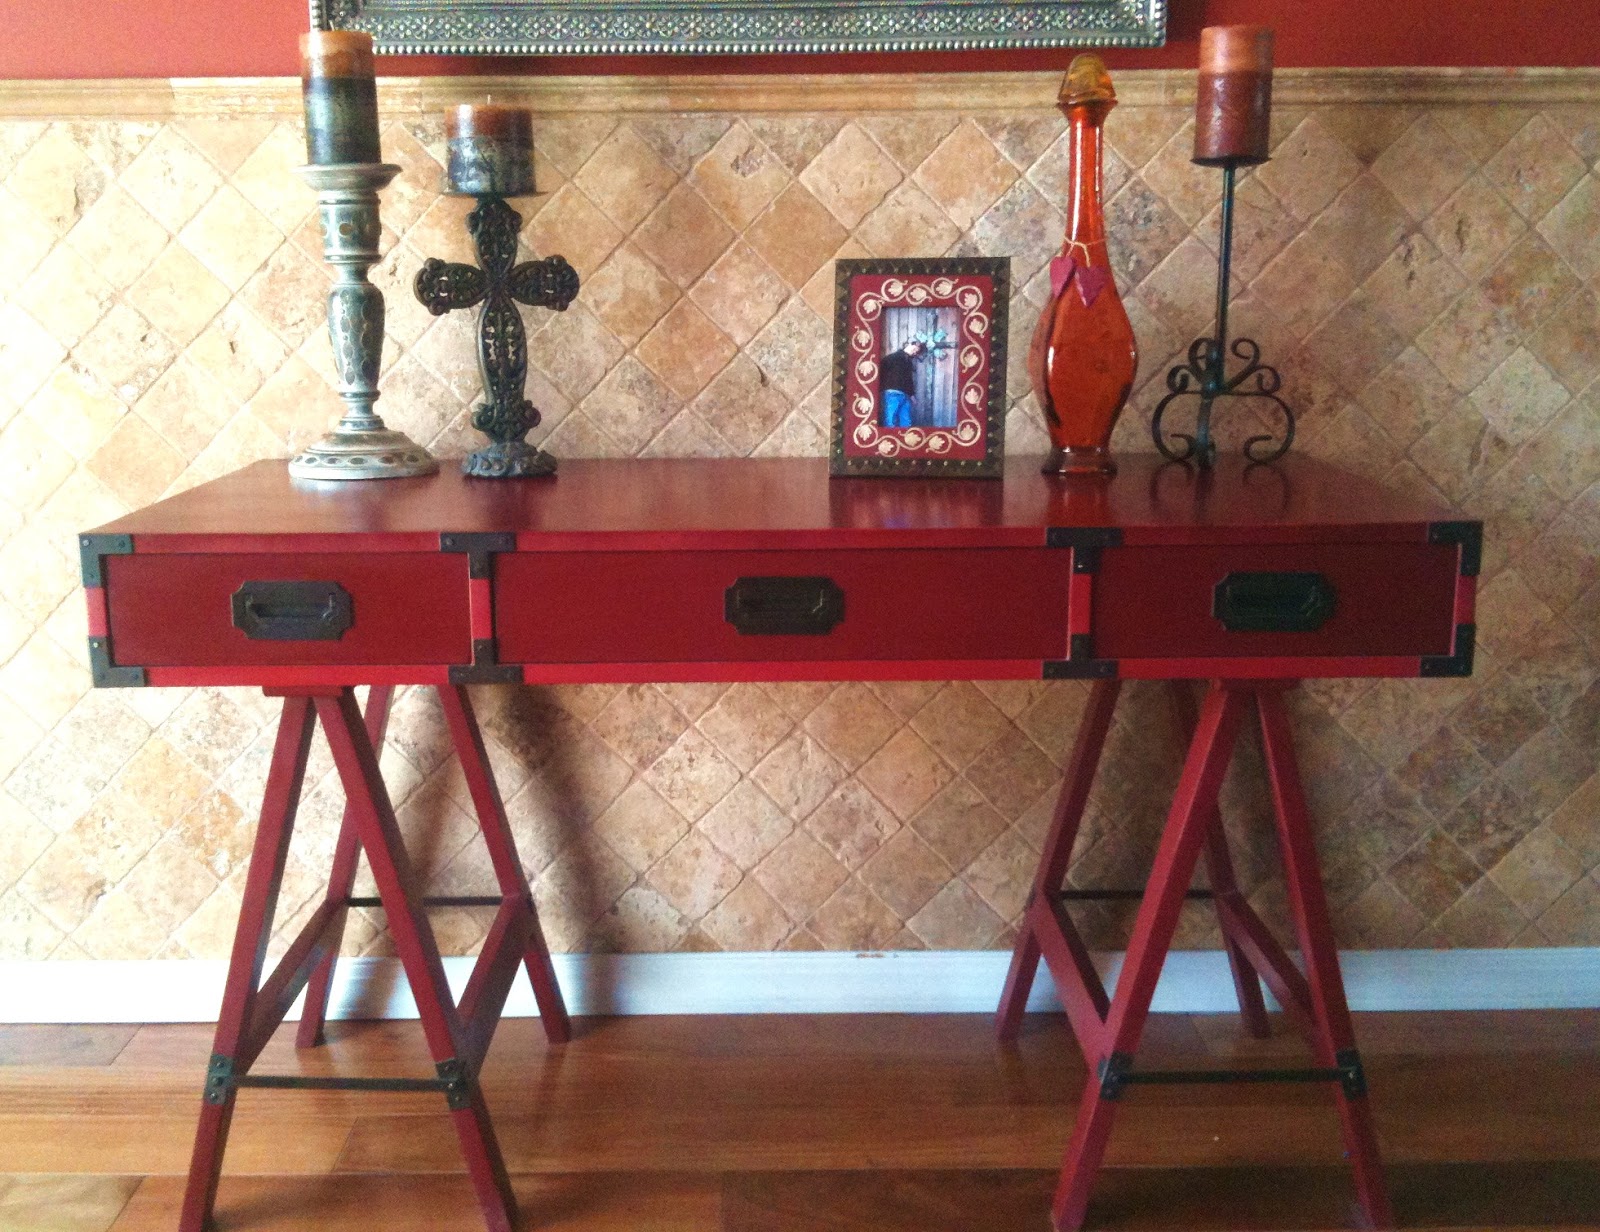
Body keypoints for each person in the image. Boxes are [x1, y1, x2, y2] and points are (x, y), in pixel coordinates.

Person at [880, 339, 924, 428]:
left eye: (917, 352)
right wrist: (883, 388)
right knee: (890, 420)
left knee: (906, 421)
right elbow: (880, 372)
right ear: (911, 344)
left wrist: (912, 395)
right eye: (916, 350)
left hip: (904, 395)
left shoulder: (908, 362)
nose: (915, 353)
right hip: (892, 393)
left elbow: (909, 379)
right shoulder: (891, 358)